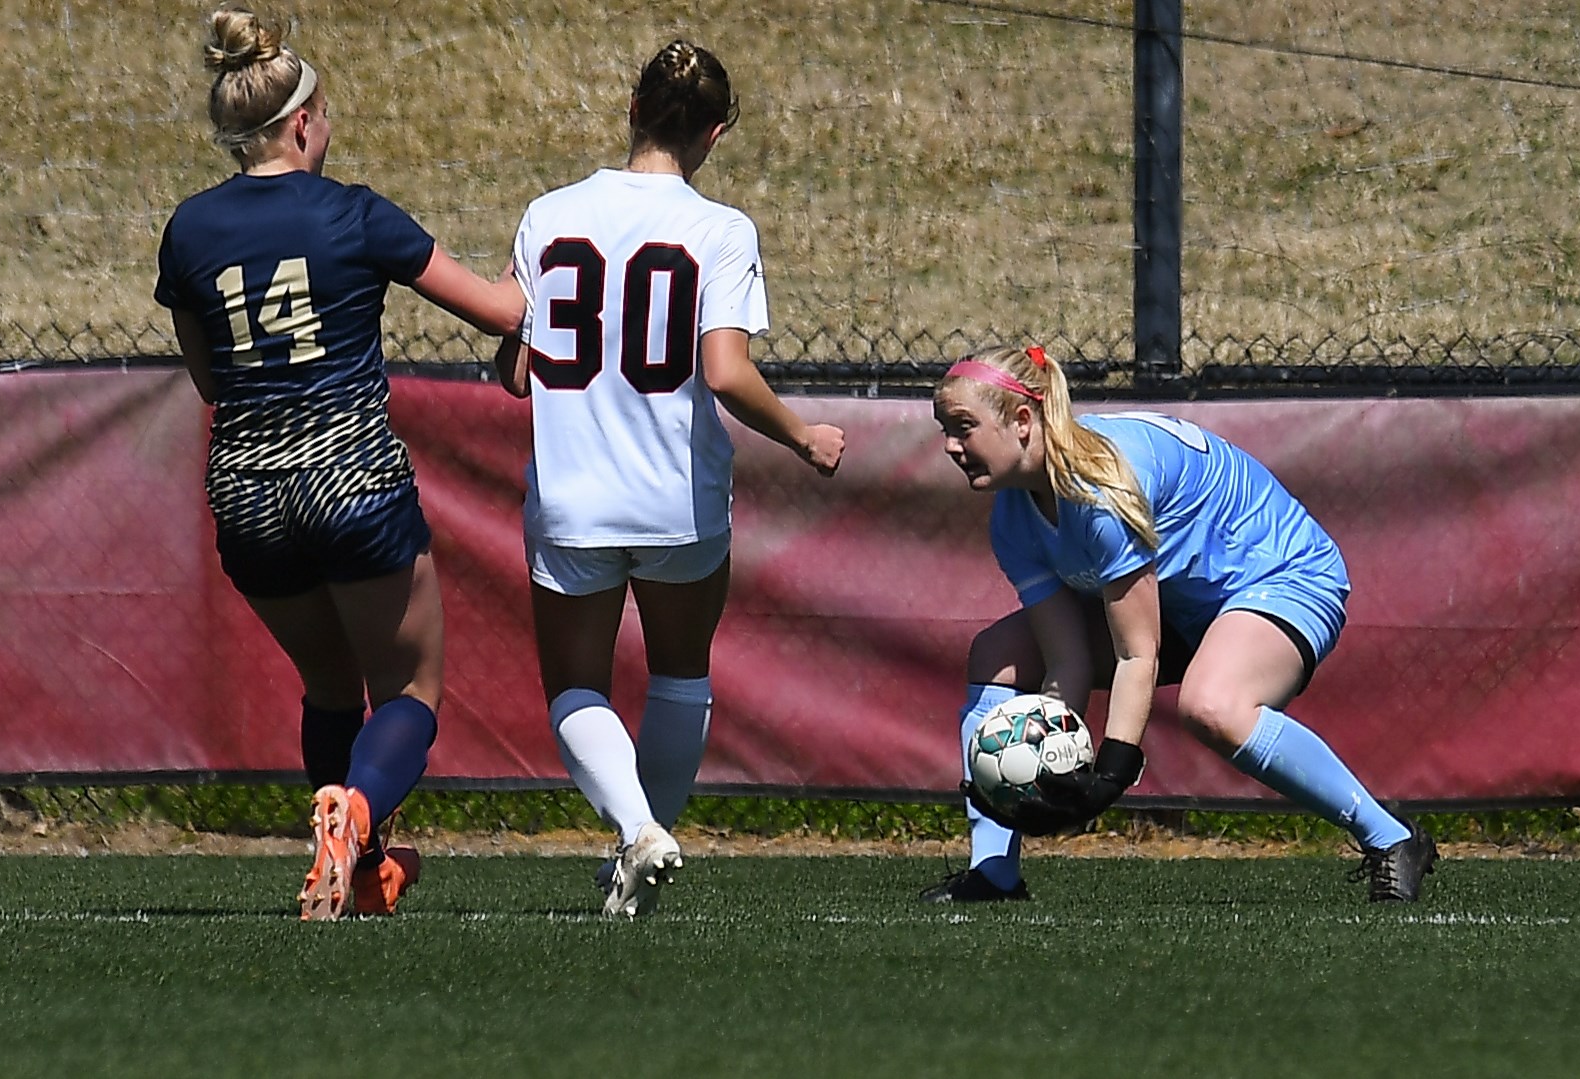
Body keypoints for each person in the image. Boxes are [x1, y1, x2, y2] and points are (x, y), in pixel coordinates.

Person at [153, 7, 524, 920]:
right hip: (348, 472)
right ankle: (355, 810)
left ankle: (359, 873)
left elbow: (209, 379)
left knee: (328, 686)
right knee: (410, 688)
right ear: (304, 123)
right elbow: (499, 310)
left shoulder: (189, 229)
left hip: (245, 488)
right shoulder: (355, 213)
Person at [495, 40, 845, 918]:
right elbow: (724, 371)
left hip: (574, 499)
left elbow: (515, 367)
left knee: (577, 688)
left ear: (632, 112)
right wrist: (803, 435)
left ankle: (636, 831)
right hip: (679, 501)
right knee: (681, 674)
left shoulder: (549, 214)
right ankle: (644, 841)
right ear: (715, 133)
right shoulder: (719, 229)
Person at [923, 345, 1437, 904]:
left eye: (964, 428)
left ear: (1022, 421)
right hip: (1177, 609)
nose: (951, 446)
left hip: (1283, 579)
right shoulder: (1013, 516)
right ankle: (993, 872)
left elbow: (1135, 654)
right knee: (997, 654)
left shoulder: (1100, 490)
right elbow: (1065, 659)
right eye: (944, 430)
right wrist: (1042, 768)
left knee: (1212, 706)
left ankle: (1392, 838)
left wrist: (1111, 774)